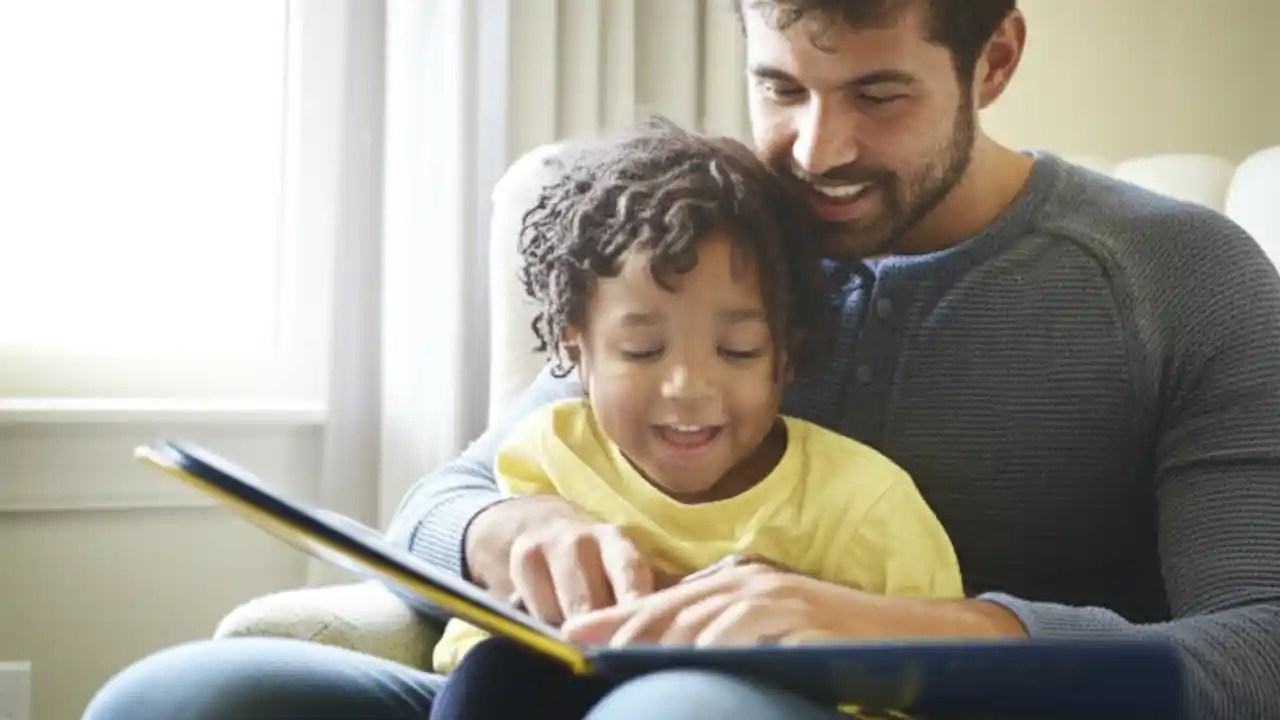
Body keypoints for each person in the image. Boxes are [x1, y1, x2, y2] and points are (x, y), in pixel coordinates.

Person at [83, 1, 1280, 719]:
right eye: (778, 88)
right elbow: (447, 498)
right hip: (570, 694)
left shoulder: (1178, 277)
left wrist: (899, 627)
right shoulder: (712, 235)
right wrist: (509, 534)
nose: (816, 150)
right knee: (184, 699)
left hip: (875, 708)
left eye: (877, 95)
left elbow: (1259, 647)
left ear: (995, 58)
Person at [427, 119, 963, 720]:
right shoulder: (550, 454)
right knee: (500, 668)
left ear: (785, 358)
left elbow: (934, 690)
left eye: (737, 351)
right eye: (642, 351)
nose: (687, 388)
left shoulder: (863, 508)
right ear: (576, 351)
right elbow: (467, 661)